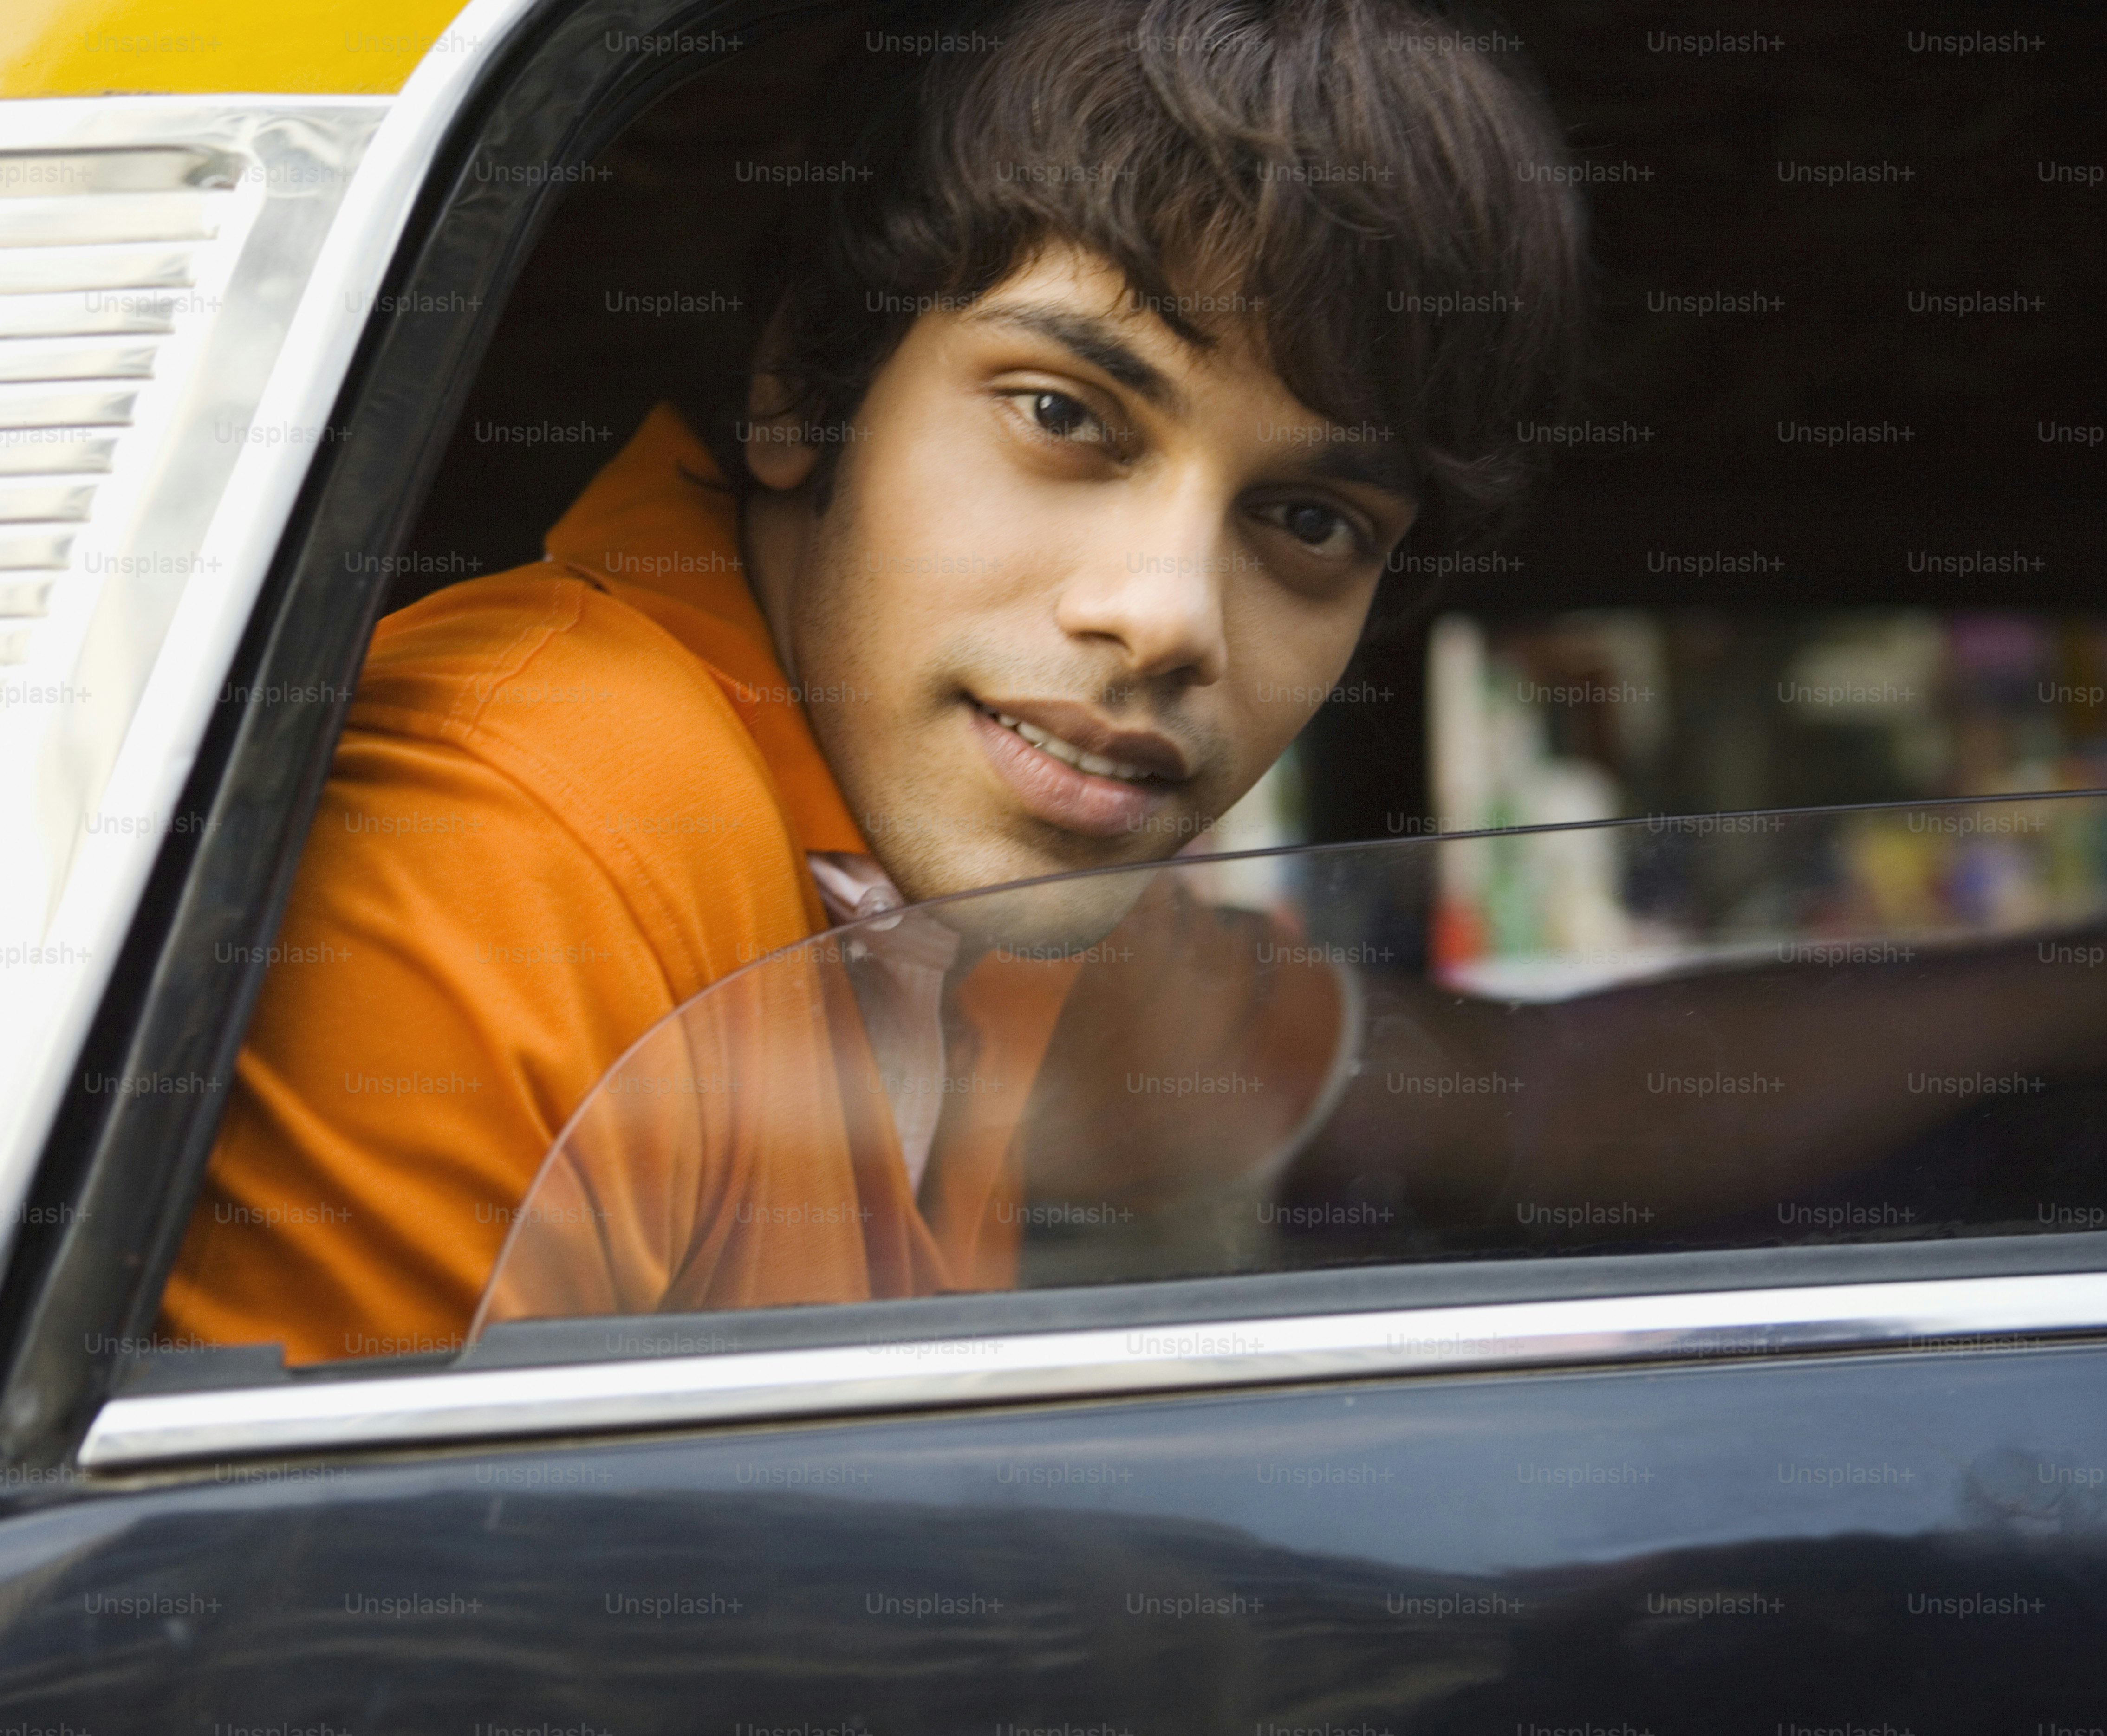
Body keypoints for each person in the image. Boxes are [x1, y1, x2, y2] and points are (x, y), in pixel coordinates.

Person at [160, 0, 1593, 1362]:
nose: (1165, 619)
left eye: (1307, 522)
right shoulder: (514, 851)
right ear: (800, 389)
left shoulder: (979, 877)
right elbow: (310, 1608)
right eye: (1060, 415)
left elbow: (1511, 1104)